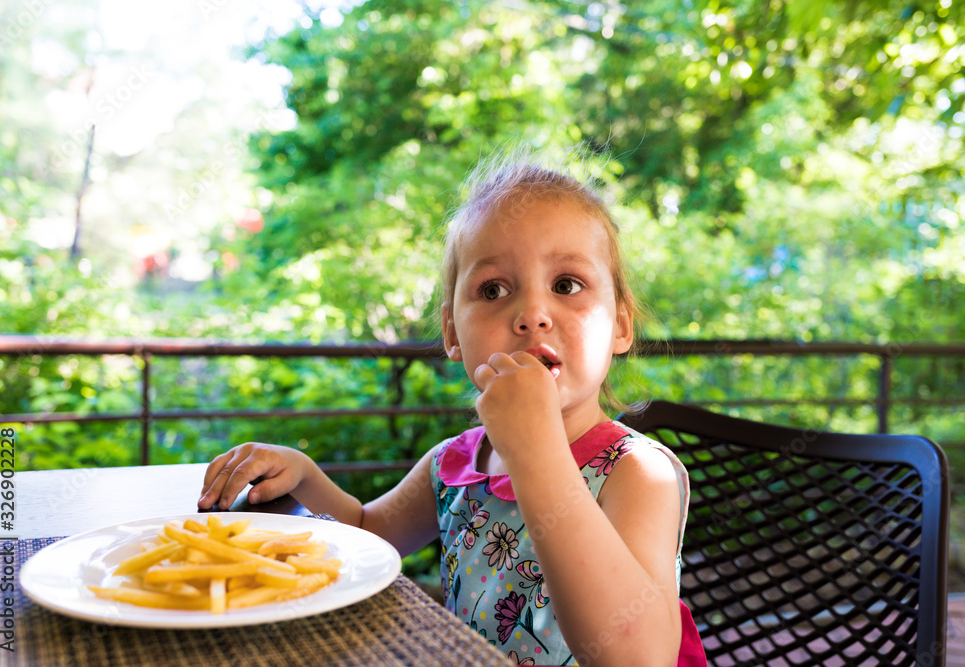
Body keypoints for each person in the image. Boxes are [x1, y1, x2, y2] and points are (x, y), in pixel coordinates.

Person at [198, 144, 707, 666]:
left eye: (567, 285)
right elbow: (371, 535)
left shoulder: (637, 473)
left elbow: (639, 657)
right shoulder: (453, 464)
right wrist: (304, 474)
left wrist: (537, 452)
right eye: (493, 290)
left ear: (620, 325)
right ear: (452, 333)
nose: (532, 313)